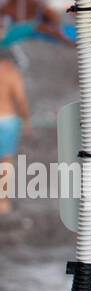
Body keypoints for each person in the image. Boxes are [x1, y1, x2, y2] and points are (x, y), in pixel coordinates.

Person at [0, 54, 28, 214]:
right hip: (8, 119)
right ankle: (2, 201)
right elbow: (20, 98)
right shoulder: (11, 73)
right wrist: (26, 120)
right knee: (6, 161)